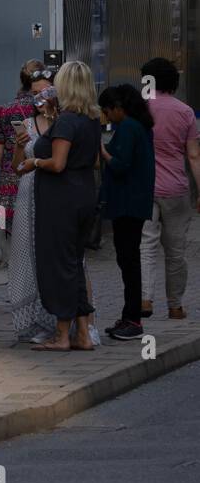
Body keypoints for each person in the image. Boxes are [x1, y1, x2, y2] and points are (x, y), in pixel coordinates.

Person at [26, 60, 102, 352]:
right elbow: (94, 161)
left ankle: (61, 336)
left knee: (58, 266)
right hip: (84, 194)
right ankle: (82, 334)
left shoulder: (68, 121)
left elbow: (57, 164)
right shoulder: (91, 119)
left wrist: (34, 162)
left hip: (61, 201)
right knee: (75, 264)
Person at [139, 57, 200, 320]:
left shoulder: (139, 110)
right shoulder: (185, 112)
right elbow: (194, 156)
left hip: (145, 188)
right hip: (176, 190)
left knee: (146, 246)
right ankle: (175, 306)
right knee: (176, 251)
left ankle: (145, 300)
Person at [98, 84, 156, 340]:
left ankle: (133, 319)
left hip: (127, 204)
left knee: (128, 261)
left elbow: (120, 165)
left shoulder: (129, 127)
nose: (107, 116)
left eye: (108, 110)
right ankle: (129, 315)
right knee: (128, 260)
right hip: (135, 202)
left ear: (119, 108)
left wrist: (102, 151)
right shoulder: (139, 126)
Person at [8, 86, 59, 343]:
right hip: (28, 193)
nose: (39, 99)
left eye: (46, 93)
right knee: (27, 254)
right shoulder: (27, 124)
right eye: (35, 94)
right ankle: (32, 323)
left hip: (54, 193)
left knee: (52, 254)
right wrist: (19, 147)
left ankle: (59, 321)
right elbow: (17, 168)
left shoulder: (64, 123)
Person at [0, 59, 48, 265]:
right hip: (41, 179)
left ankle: (15, 280)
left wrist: (10, 169)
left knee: (10, 239)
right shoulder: (45, 106)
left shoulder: (3, 110)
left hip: (9, 187)